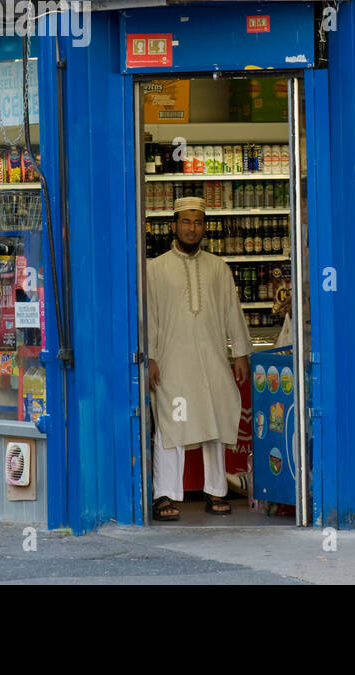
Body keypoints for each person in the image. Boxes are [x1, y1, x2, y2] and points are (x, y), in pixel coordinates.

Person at [146, 196, 252, 520]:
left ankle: (216, 491)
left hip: (212, 361)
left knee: (214, 422)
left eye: (198, 222)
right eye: (186, 222)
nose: (192, 229)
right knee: (170, 425)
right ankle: (165, 494)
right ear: (173, 225)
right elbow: (149, 317)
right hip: (172, 362)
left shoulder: (218, 268)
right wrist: (150, 358)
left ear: (204, 227)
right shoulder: (155, 269)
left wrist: (241, 353)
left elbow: (232, 312)